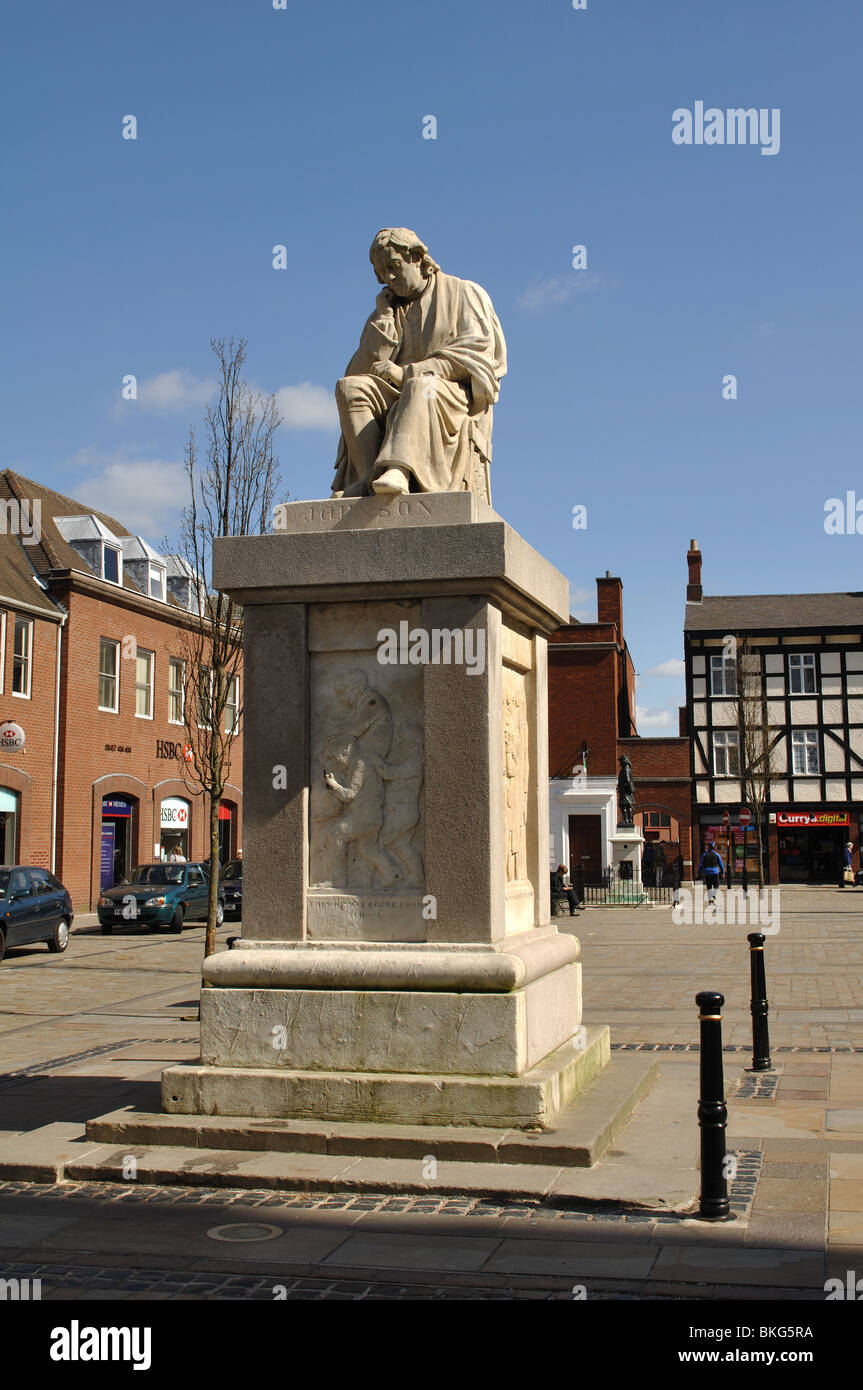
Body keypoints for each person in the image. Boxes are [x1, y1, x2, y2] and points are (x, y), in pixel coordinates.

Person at [332, 228, 507, 500]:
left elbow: (479, 354)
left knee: (420, 385)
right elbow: (358, 372)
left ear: (417, 258)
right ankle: (369, 477)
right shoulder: (386, 312)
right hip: (400, 395)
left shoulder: (463, 293)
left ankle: (399, 468)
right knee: (350, 388)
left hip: (450, 397)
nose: (389, 278)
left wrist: (408, 372)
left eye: (394, 266)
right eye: (381, 273)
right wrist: (383, 321)